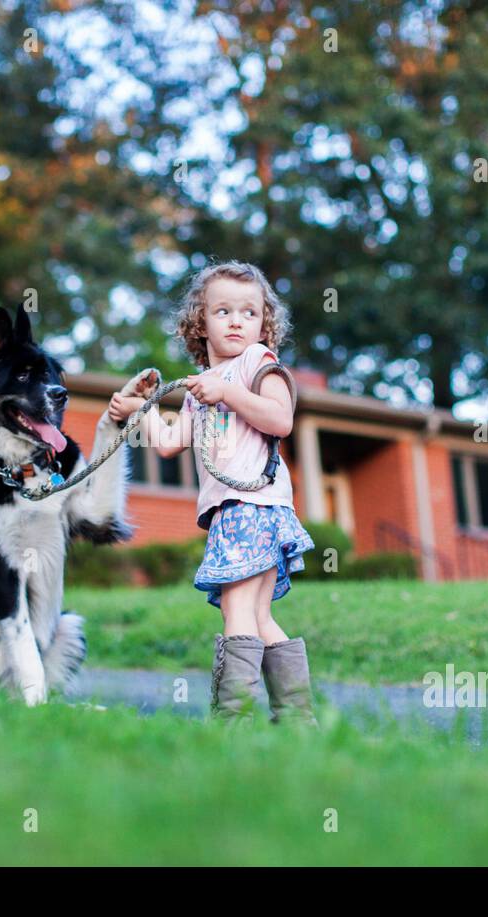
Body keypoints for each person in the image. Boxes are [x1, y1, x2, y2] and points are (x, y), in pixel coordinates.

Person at [108, 261, 318, 726]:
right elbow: (166, 444)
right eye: (223, 311)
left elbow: (280, 419)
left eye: (250, 312)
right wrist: (140, 410)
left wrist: (226, 391)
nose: (238, 320)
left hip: (254, 506)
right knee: (258, 618)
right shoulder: (197, 388)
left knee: (238, 610)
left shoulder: (258, 363)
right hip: (233, 513)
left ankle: (233, 723)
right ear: (200, 323)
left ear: (266, 322)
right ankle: (298, 722)